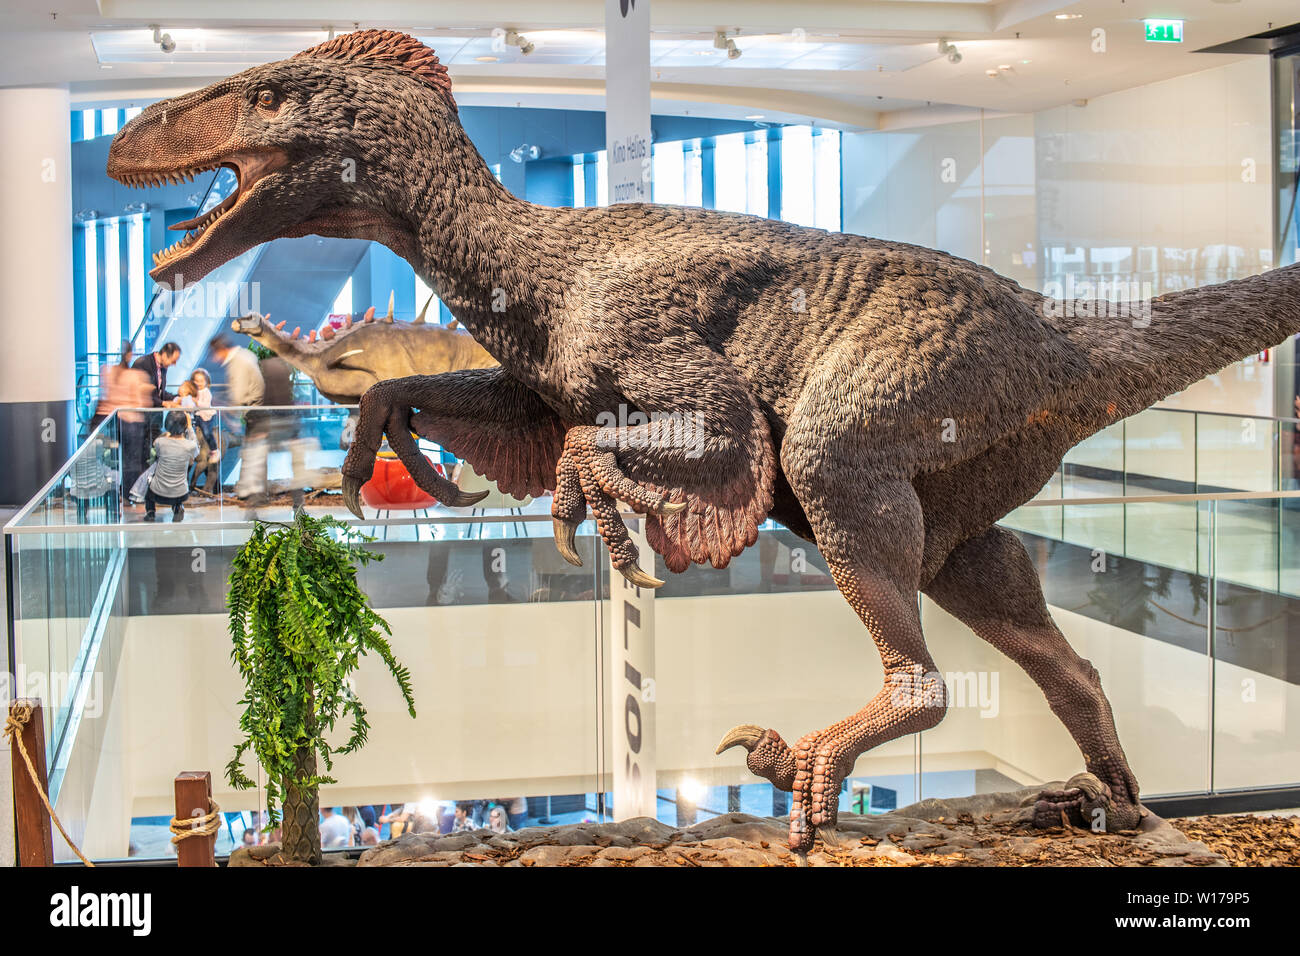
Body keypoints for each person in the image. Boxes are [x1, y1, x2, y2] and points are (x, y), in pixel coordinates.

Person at [144, 410, 198, 522]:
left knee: (148, 488)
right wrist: (190, 428)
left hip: (157, 493)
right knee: (179, 488)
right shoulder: (190, 446)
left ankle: (150, 512)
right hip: (180, 494)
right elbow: (196, 452)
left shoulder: (159, 442)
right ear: (185, 425)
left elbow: (158, 455)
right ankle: (178, 507)